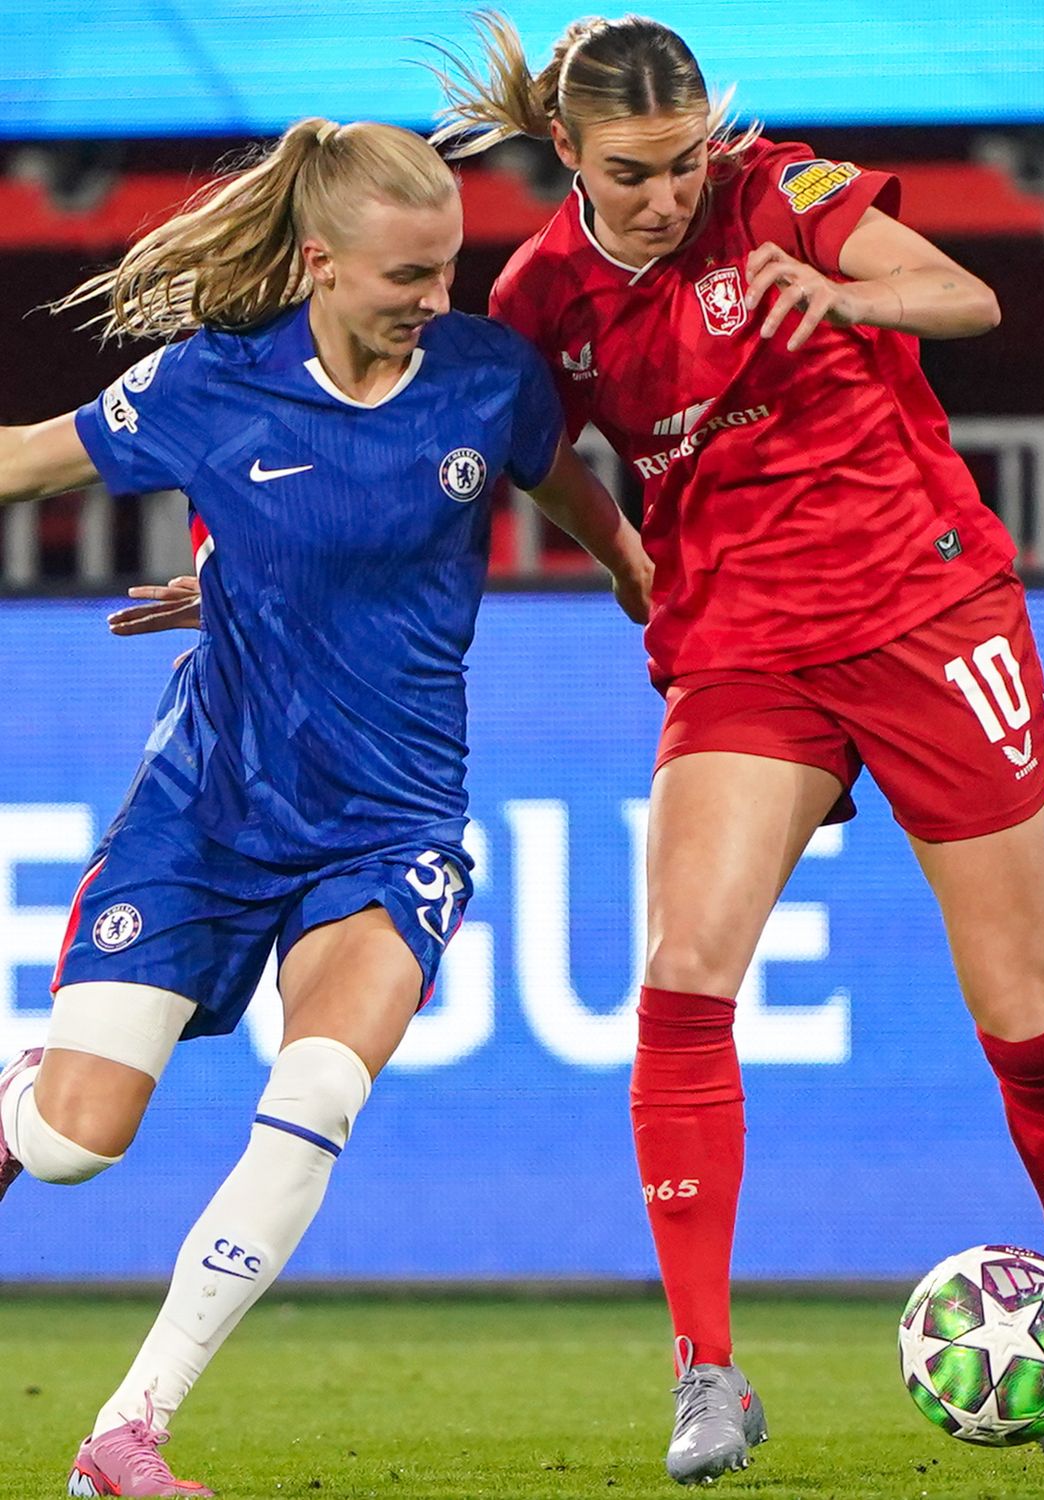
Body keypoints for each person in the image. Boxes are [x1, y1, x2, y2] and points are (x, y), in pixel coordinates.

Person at [430, 14, 1044, 1485]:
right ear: (569, 153)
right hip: (742, 646)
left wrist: (845, 292)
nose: (671, 194)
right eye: (636, 171)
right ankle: (707, 1375)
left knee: (1023, 1008)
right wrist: (621, 557)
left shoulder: (778, 194)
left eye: (684, 162)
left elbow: (965, 296)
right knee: (680, 978)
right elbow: (538, 455)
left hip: (924, 606)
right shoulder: (538, 294)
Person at [0, 116, 650, 1498]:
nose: (438, 302)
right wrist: (239, 584)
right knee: (71, 1146)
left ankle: (129, 1430)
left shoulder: (487, 382)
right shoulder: (212, 387)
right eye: (409, 275)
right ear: (320, 263)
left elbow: (561, 480)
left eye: (451, 270)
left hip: (391, 822)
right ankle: (21, 1100)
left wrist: (633, 566)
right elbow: (24, 459)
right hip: (209, 812)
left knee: (316, 1095)